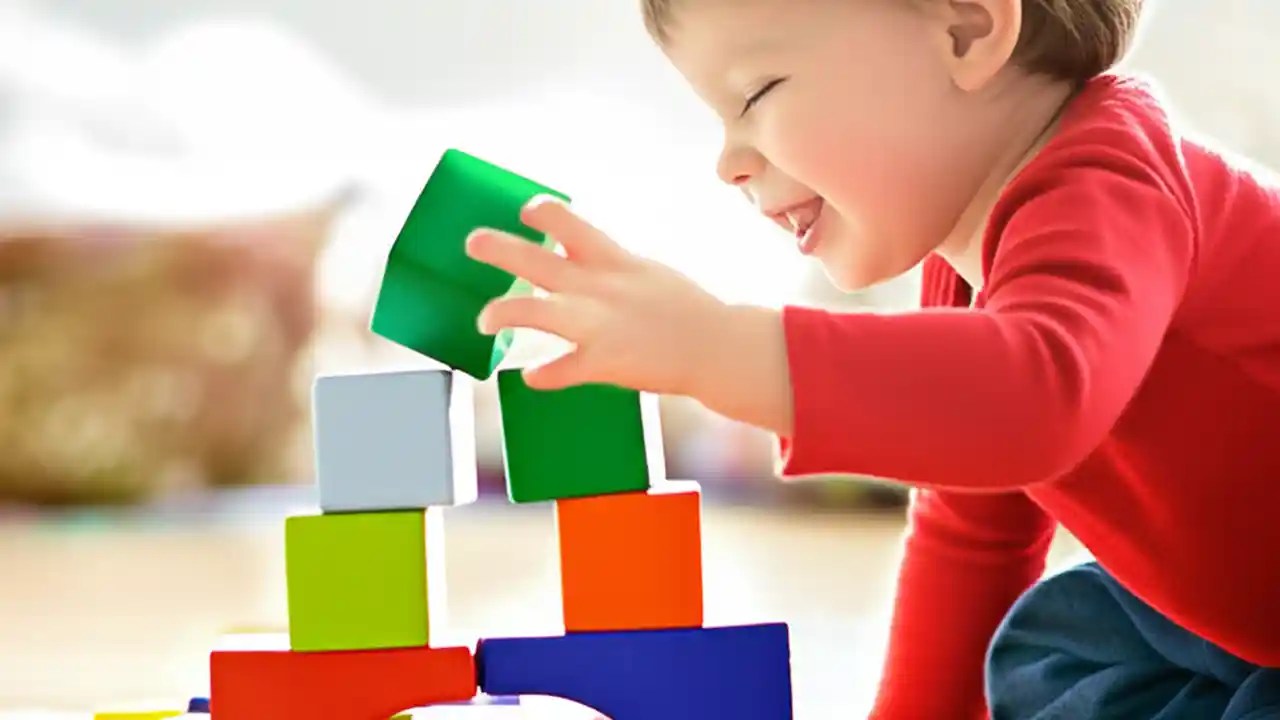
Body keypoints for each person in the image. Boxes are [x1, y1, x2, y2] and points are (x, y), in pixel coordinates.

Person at [463, 0, 1280, 717]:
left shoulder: (1115, 174)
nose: (727, 161)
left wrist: (716, 347)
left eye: (755, 95)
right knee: (1042, 646)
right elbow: (970, 539)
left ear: (966, 28)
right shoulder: (969, 266)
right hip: (1239, 617)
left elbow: (1037, 393)